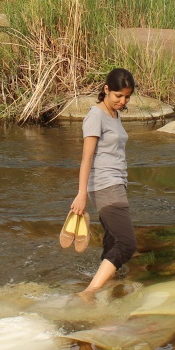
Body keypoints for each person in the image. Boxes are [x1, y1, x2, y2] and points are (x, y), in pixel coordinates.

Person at [70, 68, 138, 293]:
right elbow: (86, 158)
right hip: (104, 185)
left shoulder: (114, 114)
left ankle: (108, 287)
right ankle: (89, 293)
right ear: (106, 89)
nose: (122, 101)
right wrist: (81, 194)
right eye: (118, 95)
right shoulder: (96, 115)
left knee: (112, 241)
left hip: (116, 183)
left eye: (127, 96)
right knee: (127, 244)